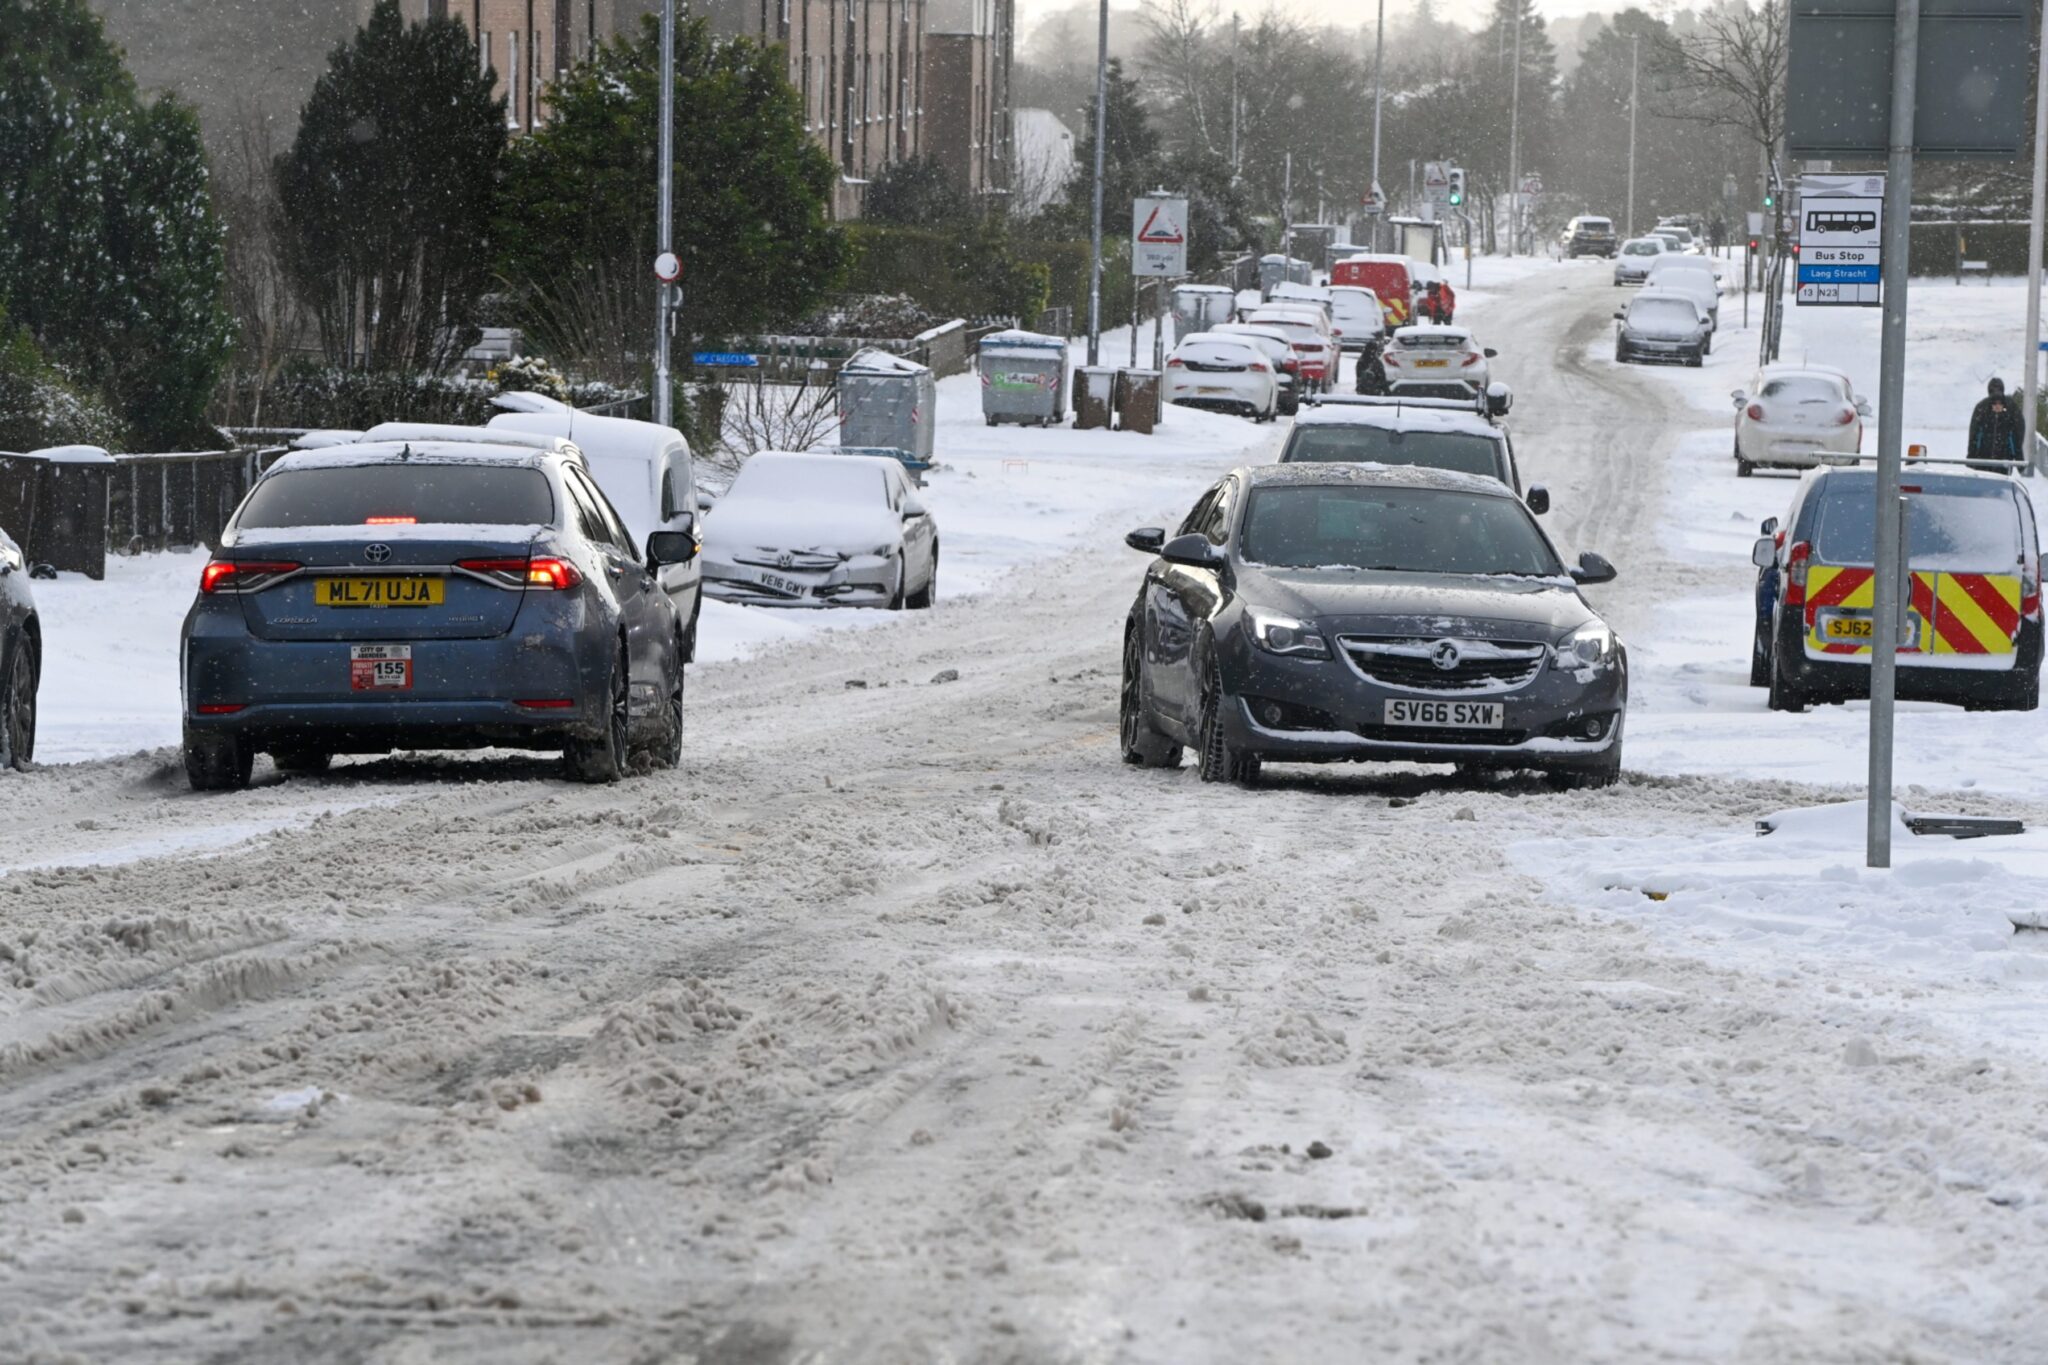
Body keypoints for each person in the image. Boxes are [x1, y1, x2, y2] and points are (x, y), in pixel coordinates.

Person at [1968, 377, 2025, 467]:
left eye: (1999, 403)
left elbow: (2017, 433)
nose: (1997, 406)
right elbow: (1974, 434)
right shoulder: (1983, 408)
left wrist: (1971, 457)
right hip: (1992, 460)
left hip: (1993, 460)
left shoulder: (2010, 408)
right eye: (1994, 403)